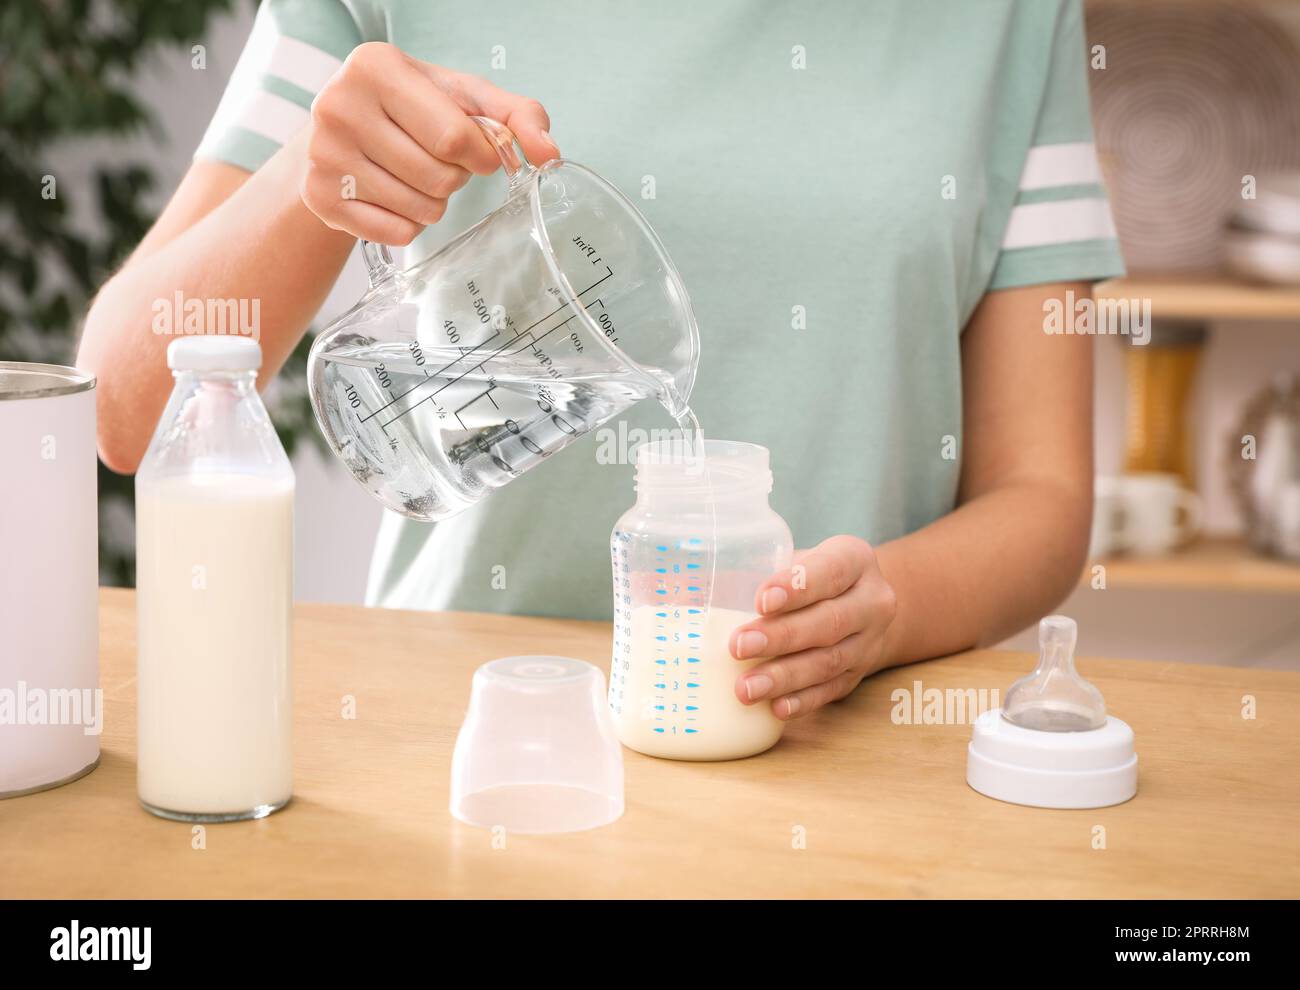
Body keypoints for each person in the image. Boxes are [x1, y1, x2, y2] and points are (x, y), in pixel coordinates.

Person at [79, 0, 1124, 722]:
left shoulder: (1007, 17)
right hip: (464, 739)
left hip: (837, 760)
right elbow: (125, 408)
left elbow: (1039, 493)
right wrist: (312, 173)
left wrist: (885, 607)